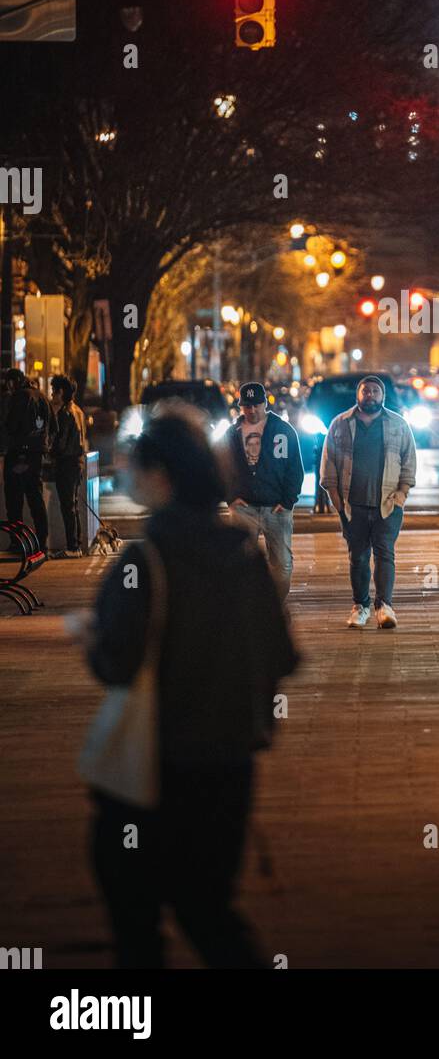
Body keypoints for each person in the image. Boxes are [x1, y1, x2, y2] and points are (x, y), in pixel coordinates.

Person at [81, 406, 299, 969]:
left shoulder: (145, 560)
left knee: (137, 927)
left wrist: (92, 636)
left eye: (135, 466)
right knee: (210, 912)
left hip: (151, 770)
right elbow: (281, 656)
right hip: (228, 766)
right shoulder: (243, 554)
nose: (127, 475)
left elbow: (115, 663)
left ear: (161, 477)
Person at [320, 375, 416, 629]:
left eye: (375, 391)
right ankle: (360, 606)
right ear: (358, 395)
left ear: (382, 395)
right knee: (358, 557)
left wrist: (401, 495)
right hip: (353, 506)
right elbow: (329, 463)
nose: (370, 395)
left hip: (388, 504)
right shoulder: (340, 423)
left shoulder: (397, 424)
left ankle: (384, 606)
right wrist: (337, 501)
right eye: (366, 391)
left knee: (385, 554)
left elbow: (409, 460)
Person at [222, 381, 304, 602]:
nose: (251, 410)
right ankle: (246, 604)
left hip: (276, 506)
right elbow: (221, 466)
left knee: (282, 562)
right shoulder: (232, 433)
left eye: (256, 405)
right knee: (239, 559)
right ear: (241, 406)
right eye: (247, 406)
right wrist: (230, 497)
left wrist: (287, 501)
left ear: (265, 404)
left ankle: (275, 604)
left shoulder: (283, 430)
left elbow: (295, 468)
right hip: (244, 507)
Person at [3, 368, 56, 553]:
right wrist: (43, 446)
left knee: (14, 500)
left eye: (9, 383)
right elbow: (54, 427)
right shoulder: (42, 397)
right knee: (36, 499)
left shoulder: (19, 397)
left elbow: (11, 426)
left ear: (14, 381)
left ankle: (18, 542)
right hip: (36, 456)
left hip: (18, 455)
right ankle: (42, 541)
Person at [50, 374, 87, 557]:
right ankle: (76, 545)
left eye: (54, 391)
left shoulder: (65, 413)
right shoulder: (78, 411)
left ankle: (73, 547)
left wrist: (51, 452)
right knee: (73, 505)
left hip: (66, 463)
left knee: (68, 506)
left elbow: (61, 443)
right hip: (77, 462)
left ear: (61, 391)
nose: (52, 395)